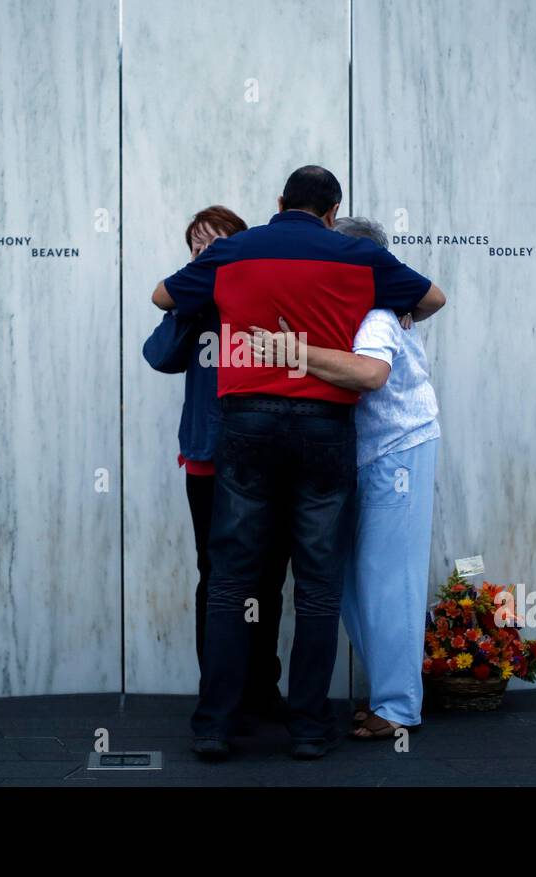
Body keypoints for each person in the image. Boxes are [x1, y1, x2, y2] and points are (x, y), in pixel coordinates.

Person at [150, 166, 446, 760]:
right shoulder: (355, 257)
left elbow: (163, 296)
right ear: (333, 211)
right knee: (317, 584)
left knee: (231, 577)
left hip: (247, 425)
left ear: (280, 202)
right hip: (322, 426)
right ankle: (310, 729)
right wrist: (393, 304)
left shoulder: (235, 251)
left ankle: (215, 724)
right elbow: (432, 298)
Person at [251, 216, 440, 741]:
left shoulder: (380, 314)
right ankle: (387, 695)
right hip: (364, 456)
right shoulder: (352, 311)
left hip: (399, 450)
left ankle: (399, 708)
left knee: (387, 583)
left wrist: (293, 352)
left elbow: (370, 375)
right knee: (357, 586)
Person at [141, 205, 289, 724]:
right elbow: (158, 356)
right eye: (196, 248)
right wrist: (189, 300)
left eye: (215, 243)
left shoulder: (263, 295)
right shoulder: (195, 305)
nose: (205, 254)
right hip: (207, 458)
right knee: (216, 575)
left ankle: (262, 689)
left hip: (266, 459)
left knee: (268, 577)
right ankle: (219, 694)